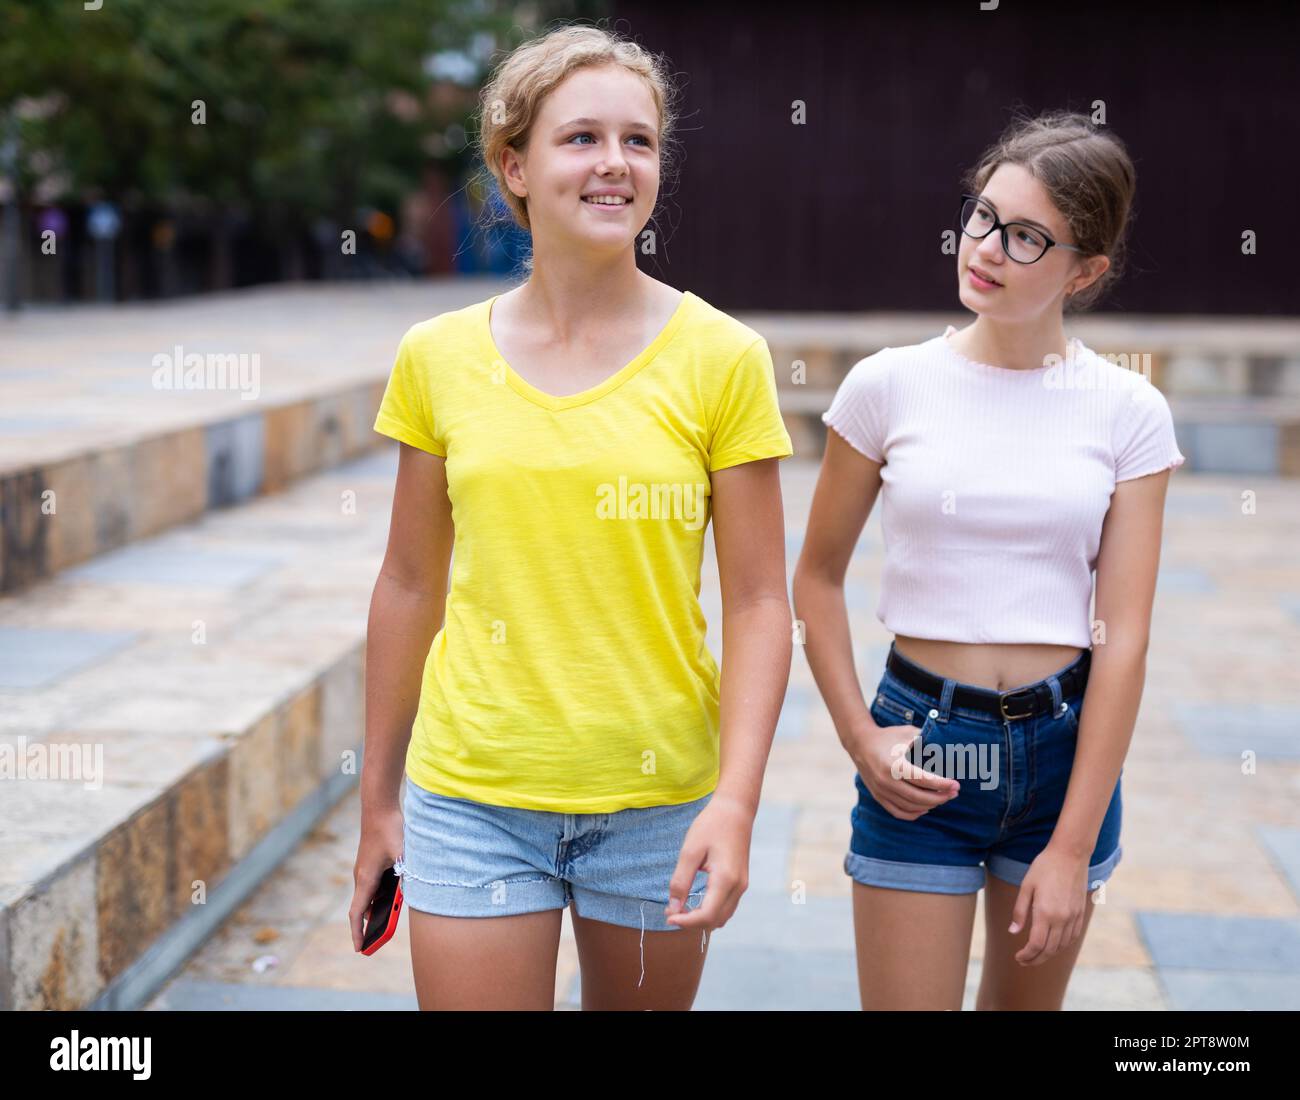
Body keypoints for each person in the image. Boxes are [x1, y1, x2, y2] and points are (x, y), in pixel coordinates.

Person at [349, 24, 795, 1011]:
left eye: (638, 141)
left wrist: (736, 798)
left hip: (656, 799)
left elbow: (763, 597)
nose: (614, 164)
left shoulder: (723, 357)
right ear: (514, 164)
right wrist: (378, 798)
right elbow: (409, 582)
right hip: (472, 791)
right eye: (581, 137)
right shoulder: (436, 355)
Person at [793, 110, 1186, 1010]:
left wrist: (1073, 845)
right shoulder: (888, 385)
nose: (987, 248)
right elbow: (814, 578)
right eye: (982, 215)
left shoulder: (1128, 411)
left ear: (1085, 270)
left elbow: (1122, 638)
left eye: (1025, 237)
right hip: (922, 748)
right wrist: (861, 738)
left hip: (1062, 755)